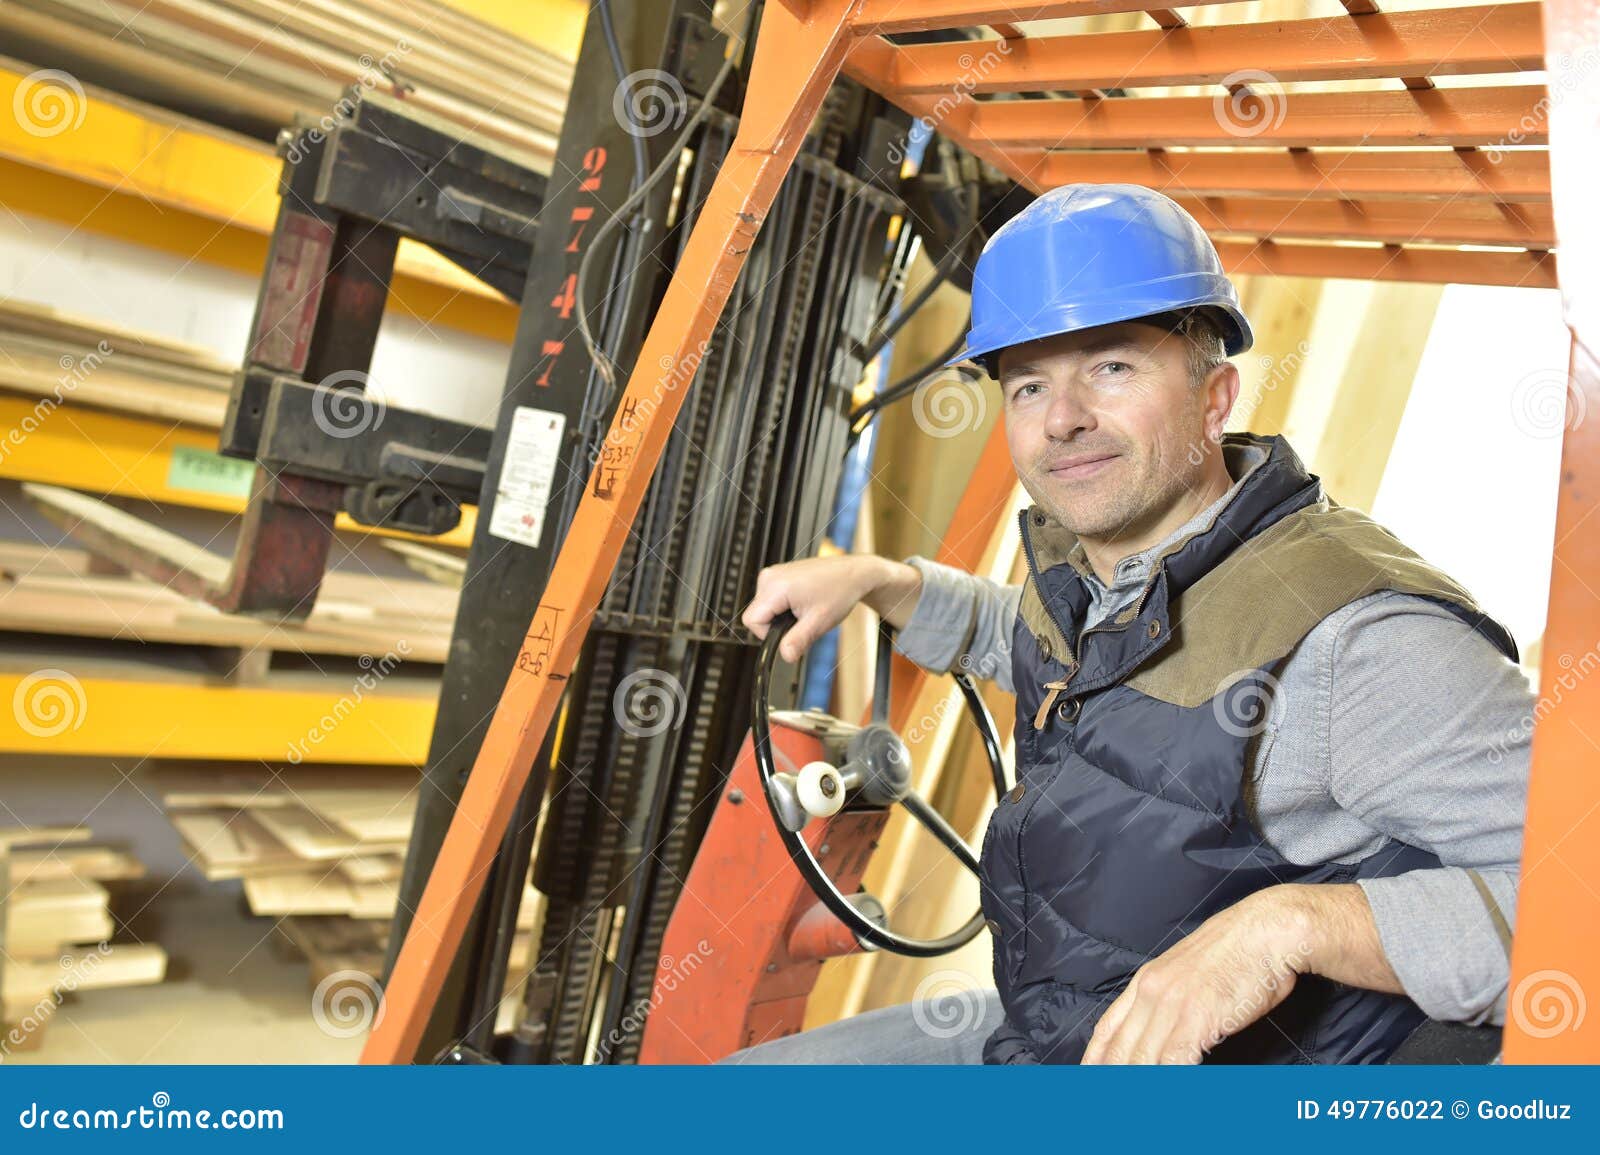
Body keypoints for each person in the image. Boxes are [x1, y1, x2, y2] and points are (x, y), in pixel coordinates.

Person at [733, 184, 1533, 1065]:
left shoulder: (1358, 639)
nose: (1064, 418)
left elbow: (1574, 894)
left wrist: (1292, 926)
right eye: (1030, 383)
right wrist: (883, 580)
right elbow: (1054, 651)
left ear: (1214, 397)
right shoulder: (1098, 568)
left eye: (1112, 366)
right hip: (1056, 1029)